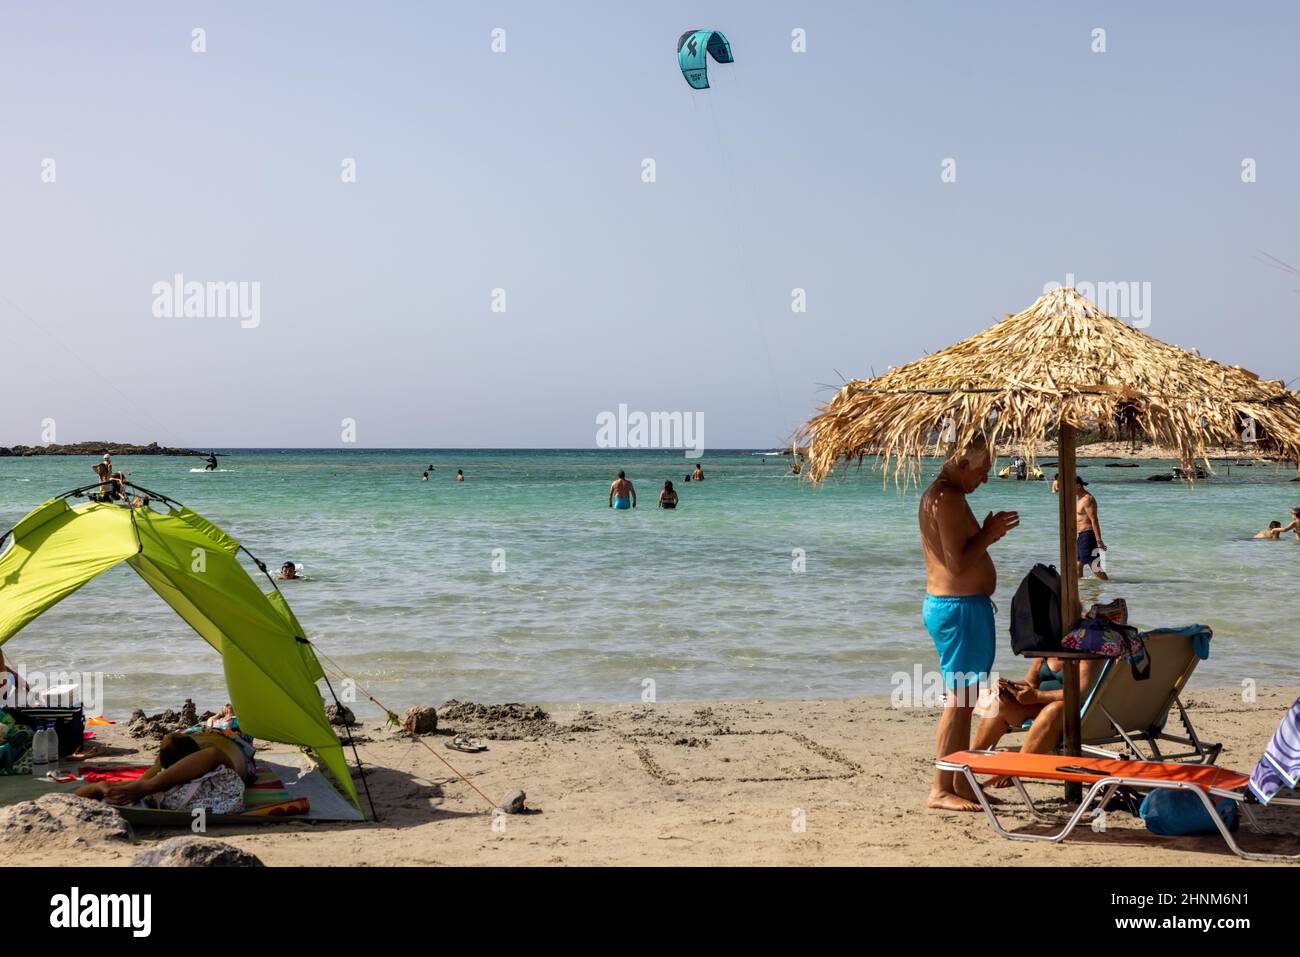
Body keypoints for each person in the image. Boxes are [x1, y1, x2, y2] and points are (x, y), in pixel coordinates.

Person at [918, 433, 1019, 811]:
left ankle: (959, 783)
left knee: (966, 697)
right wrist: (989, 535)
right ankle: (940, 787)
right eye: (982, 471)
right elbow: (956, 563)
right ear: (962, 465)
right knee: (959, 701)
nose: (986, 479)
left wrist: (984, 535)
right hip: (956, 608)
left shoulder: (946, 495)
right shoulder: (946, 497)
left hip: (963, 607)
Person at [971, 655, 1103, 784]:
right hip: (1041, 706)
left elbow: (1079, 692)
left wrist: (1038, 696)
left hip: (1075, 712)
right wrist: (1007, 684)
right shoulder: (1045, 648)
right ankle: (971, 757)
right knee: (1000, 703)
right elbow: (1030, 683)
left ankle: (1013, 770)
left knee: (1054, 709)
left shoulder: (1085, 651)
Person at [77, 720, 257, 806]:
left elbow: (136, 787)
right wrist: (101, 788)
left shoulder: (161, 771)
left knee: (141, 783)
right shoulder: (223, 760)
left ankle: (220, 717)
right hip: (230, 736)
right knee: (236, 721)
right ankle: (223, 716)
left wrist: (100, 788)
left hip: (206, 734)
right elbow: (211, 754)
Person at [1053, 474, 1108, 580]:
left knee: (1093, 565)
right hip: (1082, 536)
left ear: (1078, 486)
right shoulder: (1079, 497)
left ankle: (1107, 585)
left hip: (1088, 536)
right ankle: (1081, 589)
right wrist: (1057, 482)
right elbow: (1057, 490)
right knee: (1078, 564)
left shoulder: (1087, 499)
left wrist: (1099, 540)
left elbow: (1094, 520)